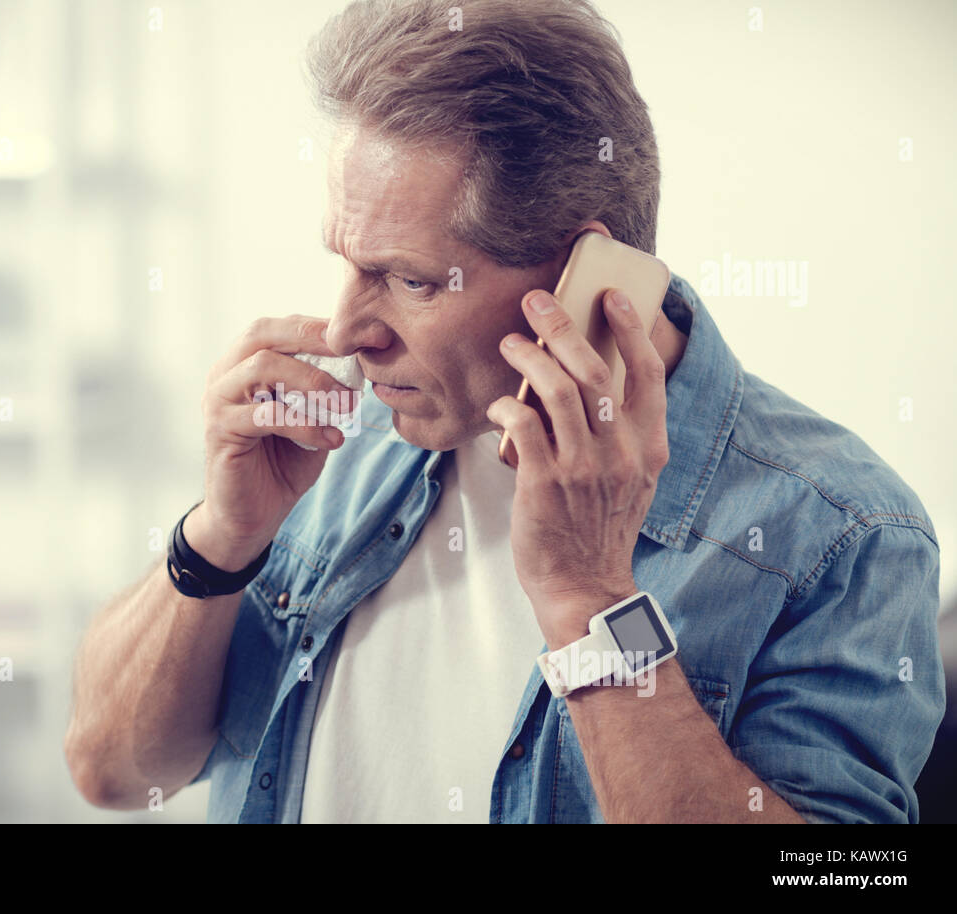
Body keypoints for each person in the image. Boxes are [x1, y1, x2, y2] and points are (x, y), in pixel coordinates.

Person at [64, 0, 944, 823]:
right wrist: (218, 538)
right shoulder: (349, 435)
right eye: (348, 261)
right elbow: (114, 773)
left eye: (409, 281)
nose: (345, 329)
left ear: (587, 277)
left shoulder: (842, 531)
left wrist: (591, 599)